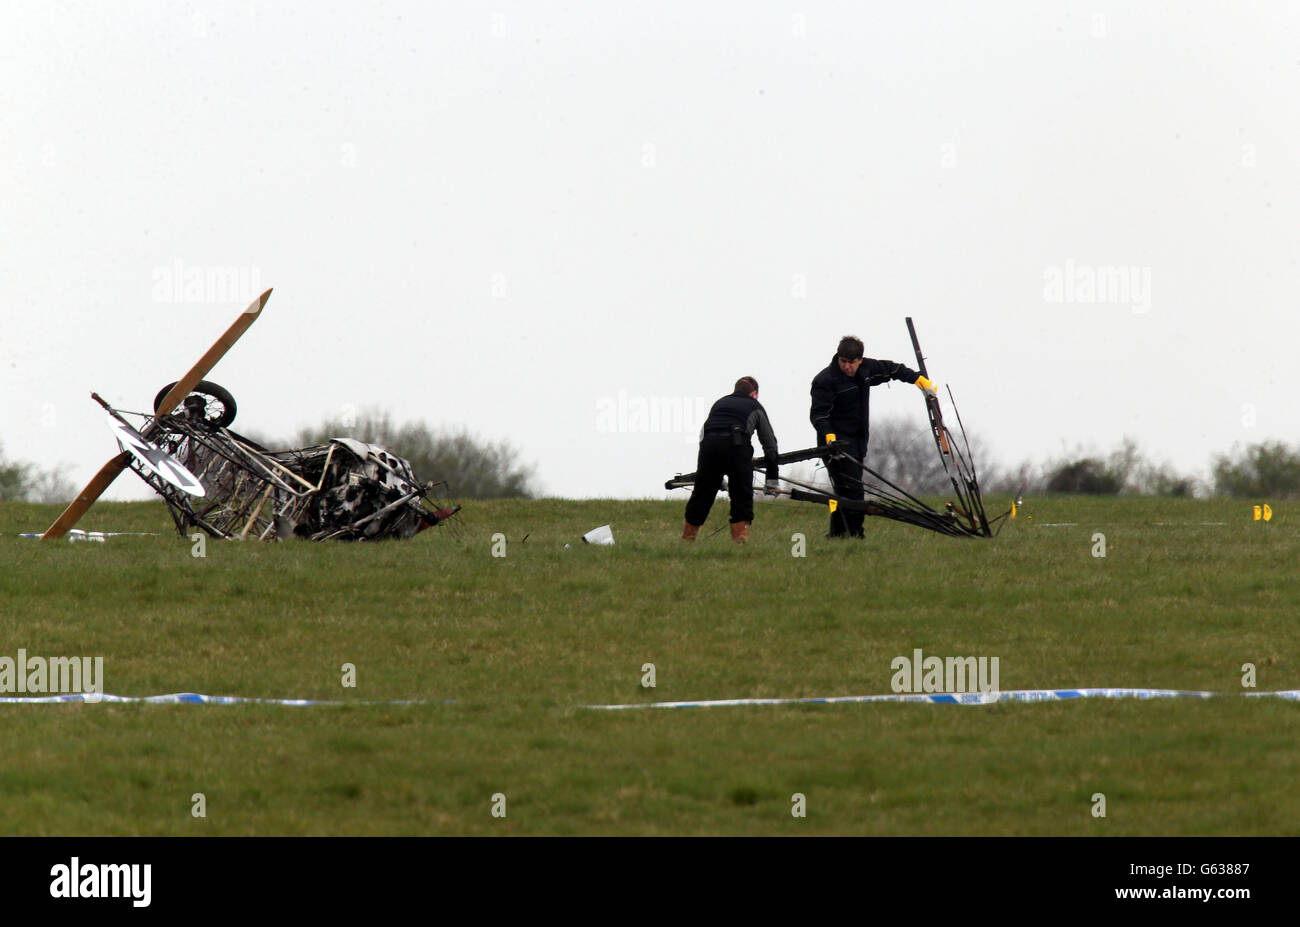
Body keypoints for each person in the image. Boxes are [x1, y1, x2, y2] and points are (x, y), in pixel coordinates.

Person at [810, 335, 935, 537]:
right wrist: (829, 436)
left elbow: (893, 370)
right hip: (835, 444)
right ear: (838, 358)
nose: (847, 367)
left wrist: (919, 380)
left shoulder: (866, 370)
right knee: (853, 491)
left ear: (860, 360)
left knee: (844, 491)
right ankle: (855, 534)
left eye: (851, 363)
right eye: (843, 362)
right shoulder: (825, 381)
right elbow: (819, 414)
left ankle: (837, 535)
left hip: (858, 442)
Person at [682, 376, 780, 544]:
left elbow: (704, 433)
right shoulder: (755, 406)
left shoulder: (719, 403)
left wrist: (713, 475)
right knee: (741, 495)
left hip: (709, 448)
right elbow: (770, 443)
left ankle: (687, 539)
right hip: (737, 447)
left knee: (702, 494)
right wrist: (772, 478)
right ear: (754, 393)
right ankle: (739, 542)